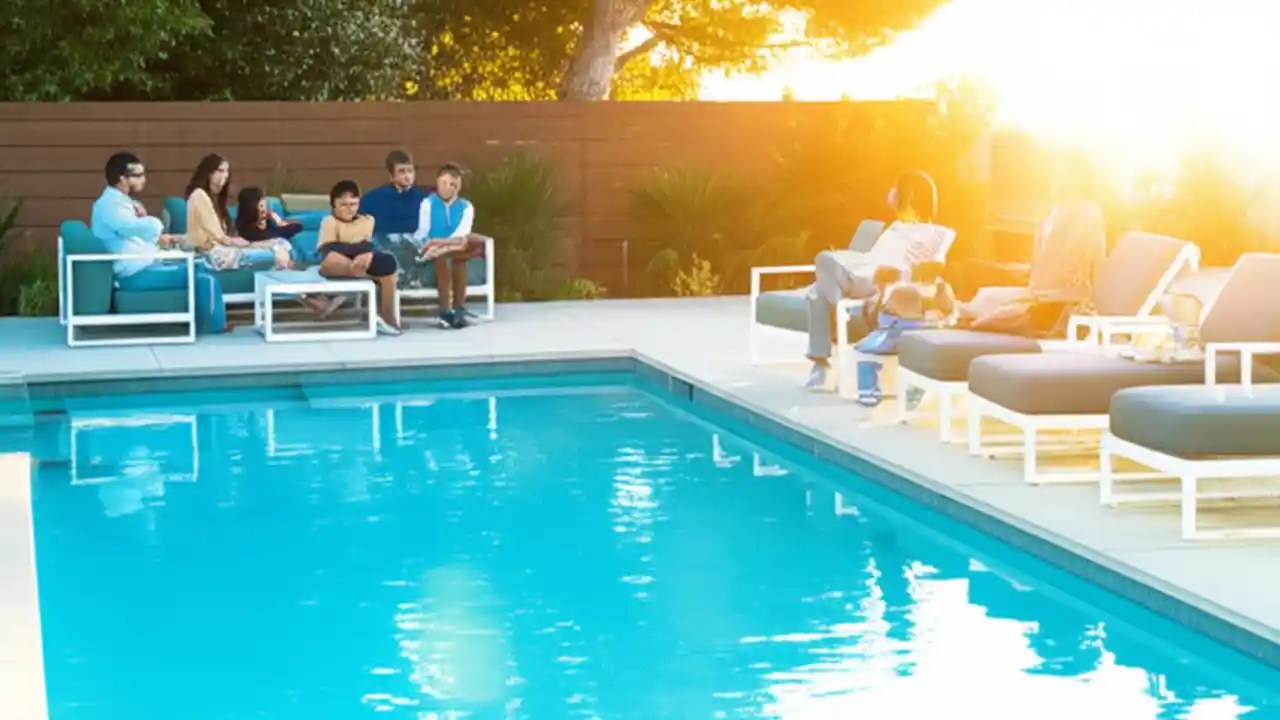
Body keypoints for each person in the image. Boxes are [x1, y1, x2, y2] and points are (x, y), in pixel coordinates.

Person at [804, 170, 952, 391]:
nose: (891, 195)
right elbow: (871, 257)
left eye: (897, 189)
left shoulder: (938, 232)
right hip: (862, 271)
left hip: (882, 280)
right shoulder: (895, 226)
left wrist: (910, 265)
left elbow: (931, 268)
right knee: (816, 291)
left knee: (822, 262)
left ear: (909, 196)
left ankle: (822, 362)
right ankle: (821, 361)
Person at [956, 151, 1107, 335]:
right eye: (1060, 170)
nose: (1060, 175)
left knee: (995, 305)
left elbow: (1089, 264)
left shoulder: (1088, 212)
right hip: (1038, 292)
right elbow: (1043, 262)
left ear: (1083, 178)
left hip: (1058, 300)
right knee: (986, 295)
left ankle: (967, 320)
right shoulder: (1055, 210)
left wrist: (1077, 303)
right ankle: (959, 314)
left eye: (1069, 171)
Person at [90, 151, 227, 334]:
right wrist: (152, 221)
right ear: (122, 179)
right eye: (137, 176)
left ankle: (203, 323)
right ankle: (213, 328)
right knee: (202, 275)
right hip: (133, 274)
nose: (143, 180)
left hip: (143, 265)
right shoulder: (110, 204)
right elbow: (130, 227)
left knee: (201, 265)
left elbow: (136, 233)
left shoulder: (121, 202)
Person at [316, 180, 402, 336]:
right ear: (333, 205)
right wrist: (361, 253)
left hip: (360, 263)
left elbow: (364, 246)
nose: (349, 209)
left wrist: (364, 253)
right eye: (343, 204)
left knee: (388, 270)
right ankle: (352, 283)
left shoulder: (367, 221)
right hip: (334, 262)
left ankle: (388, 319)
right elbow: (328, 248)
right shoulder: (329, 221)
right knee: (331, 258)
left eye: (353, 204)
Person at [184, 154, 293, 270]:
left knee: (281, 243)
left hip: (224, 249)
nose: (225, 175)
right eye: (220, 171)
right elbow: (217, 236)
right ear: (208, 173)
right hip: (214, 255)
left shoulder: (214, 199)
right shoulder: (199, 195)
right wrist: (244, 243)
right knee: (276, 248)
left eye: (227, 171)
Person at [412, 163, 487, 329]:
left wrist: (438, 243)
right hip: (439, 251)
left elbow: (462, 234)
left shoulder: (466, 207)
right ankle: (451, 309)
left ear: (459, 186)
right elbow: (423, 230)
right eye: (444, 183)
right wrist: (425, 246)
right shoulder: (428, 203)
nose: (448, 188)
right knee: (447, 259)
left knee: (458, 251)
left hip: (458, 247)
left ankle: (453, 310)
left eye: (453, 184)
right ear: (437, 182)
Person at [360, 149, 433, 289]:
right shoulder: (373, 198)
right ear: (391, 176)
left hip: (415, 248)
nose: (407, 176)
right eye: (402, 171)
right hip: (384, 248)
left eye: (410, 171)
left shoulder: (424, 200)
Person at [235, 186, 303, 243]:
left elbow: (298, 226)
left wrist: (280, 223)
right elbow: (266, 237)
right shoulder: (247, 232)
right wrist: (281, 225)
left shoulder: (270, 224)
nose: (264, 209)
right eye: (261, 206)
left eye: (265, 205)